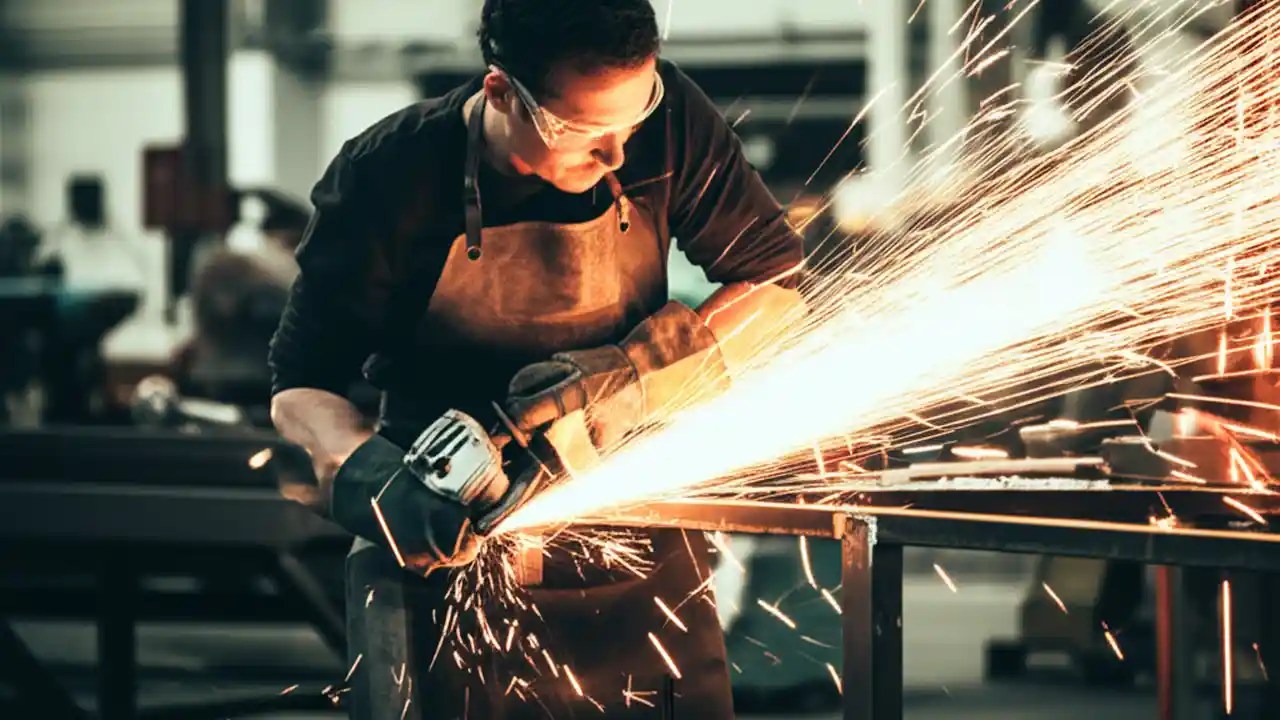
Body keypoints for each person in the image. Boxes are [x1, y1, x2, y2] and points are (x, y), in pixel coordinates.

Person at [269, 0, 804, 717]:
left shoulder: (671, 119)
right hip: (444, 547)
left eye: (630, 120)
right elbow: (299, 388)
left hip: (630, 527)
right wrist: (375, 480)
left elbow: (774, 290)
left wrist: (635, 375)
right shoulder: (390, 173)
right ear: (500, 92)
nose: (616, 153)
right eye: (580, 132)